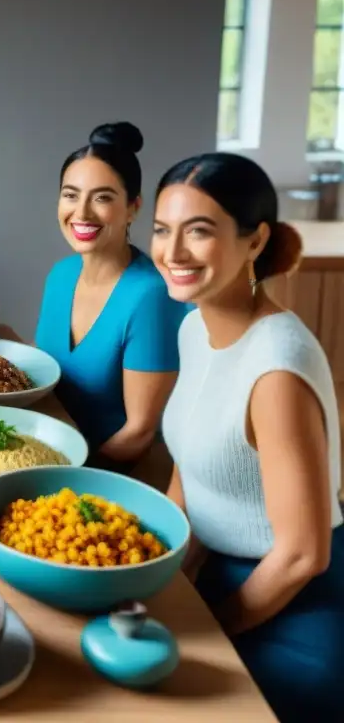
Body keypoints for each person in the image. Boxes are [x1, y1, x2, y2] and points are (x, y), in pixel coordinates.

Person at [153, 152, 343, 722]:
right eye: (163, 230)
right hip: (214, 574)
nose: (173, 252)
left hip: (293, 610)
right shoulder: (194, 326)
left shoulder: (276, 368)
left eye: (200, 232)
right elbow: (188, 463)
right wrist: (164, 577)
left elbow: (304, 553)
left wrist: (212, 626)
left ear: (255, 241)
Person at [34, 122, 186, 472]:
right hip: (51, 461)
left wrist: (66, 483)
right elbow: (44, 381)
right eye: (71, 195)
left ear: (133, 207)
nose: (82, 213)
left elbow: (139, 433)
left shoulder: (151, 297)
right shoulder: (60, 275)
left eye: (102, 198)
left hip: (113, 480)